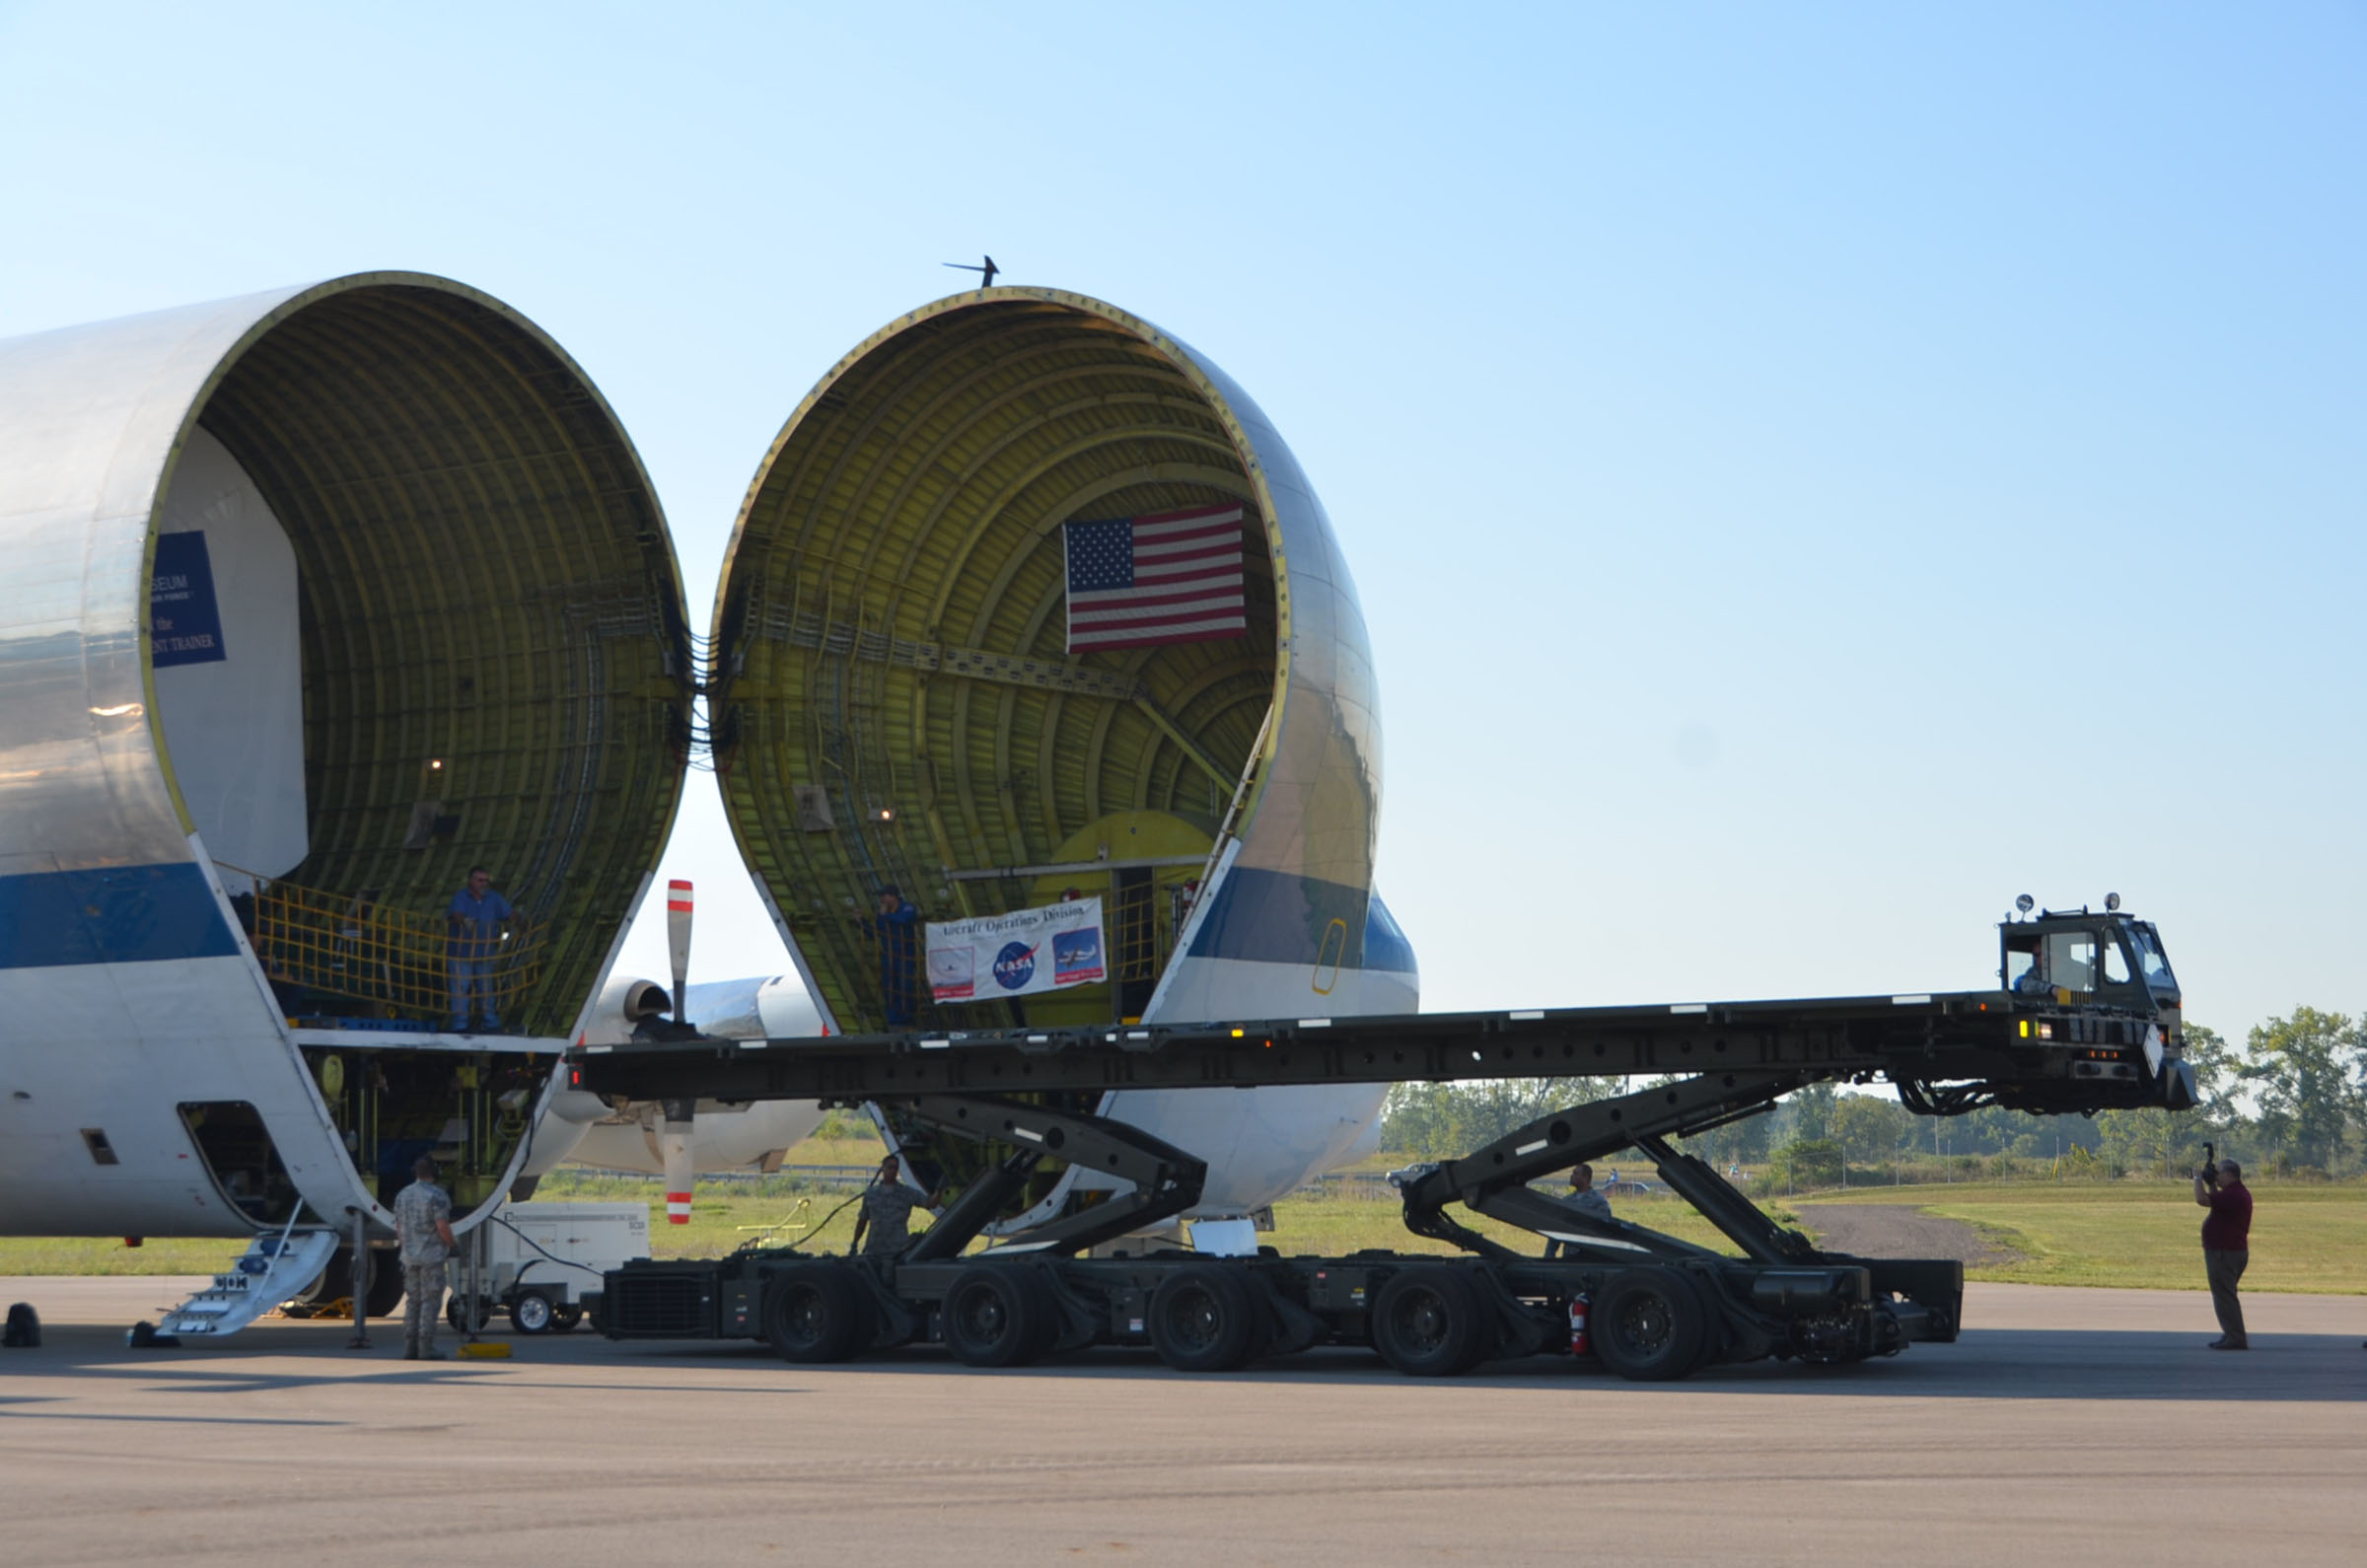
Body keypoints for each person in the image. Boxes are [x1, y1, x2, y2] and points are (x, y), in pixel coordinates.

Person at [394, 1154, 457, 1360]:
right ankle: (425, 1347)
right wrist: (453, 1245)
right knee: (430, 1301)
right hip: (431, 1257)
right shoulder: (437, 1195)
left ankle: (409, 1346)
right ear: (434, 1172)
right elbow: (442, 1227)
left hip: (409, 1257)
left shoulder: (403, 1195)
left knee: (413, 1301)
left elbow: (400, 1229)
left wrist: (407, 1249)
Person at [446, 865, 514, 1032]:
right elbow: (456, 914)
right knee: (461, 989)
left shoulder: (494, 898)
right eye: (480, 880)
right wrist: (465, 921)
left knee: (486, 989)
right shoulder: (461, 897)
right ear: (471, 881)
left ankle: (491, 1023)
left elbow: (509, 913)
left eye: (486, 880)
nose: (484, 883)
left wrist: (521, 921)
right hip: (460, 953)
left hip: (484, 953)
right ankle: (460, 1026)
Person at [2194, 1155, 2252, 1349]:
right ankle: (2231, 1334)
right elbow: (2215, 1201)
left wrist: (2197, 1179)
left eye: (2218, 1173)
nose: (2215, 1176)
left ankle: (2235, 1338)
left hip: (2224, 1253)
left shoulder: (2233, 1194)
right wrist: (2211, 1184)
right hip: (2229, 1251)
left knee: (2225, 1297)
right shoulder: (2234, 1193)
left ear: (2228, 1174)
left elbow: (2202, 1200)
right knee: (2225, 1295)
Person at [849, 1154, 932, 1259]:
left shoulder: (907, 1193)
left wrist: (939, 1190)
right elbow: (862, 1220)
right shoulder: (871, 1193)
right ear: (883, 1169)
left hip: (897, 1252)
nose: (893, 1170)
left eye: (895, 1168)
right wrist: (855, 1243)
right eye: (890, 1167)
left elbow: (930, 1203)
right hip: (873, 1250)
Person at [1542, 1163, 1613, 1259]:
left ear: (1586, 1178)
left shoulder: (1599, 1201)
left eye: (1575, 1173)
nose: (1572, 1176)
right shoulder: (1567, 1201)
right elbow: (1557, 1230)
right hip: (1569, 1256)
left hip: (1590, 1258)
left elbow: (1606, 1231)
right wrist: (1548, 1257)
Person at [874, 887, 920, 1027]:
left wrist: (885, 916)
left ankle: (907, 1017)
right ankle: (894, 1019)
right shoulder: (884, 912)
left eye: (884, 896)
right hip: (889, 955)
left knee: (905, 986)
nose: (882, 900)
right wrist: (862, 922)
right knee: (890, 987)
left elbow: (905, 920)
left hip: (905, 954)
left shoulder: (907, 907)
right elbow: (878, 930)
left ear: (893, 896)